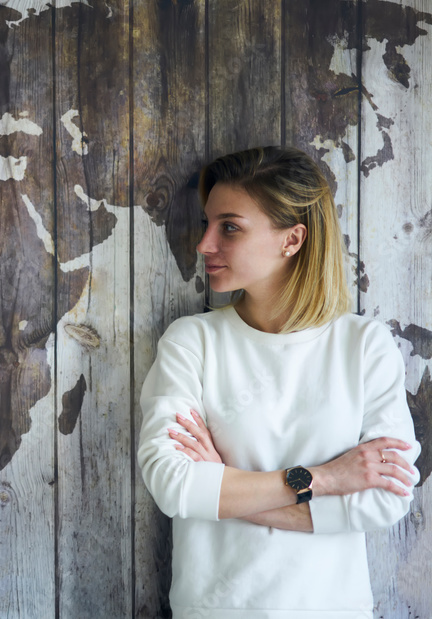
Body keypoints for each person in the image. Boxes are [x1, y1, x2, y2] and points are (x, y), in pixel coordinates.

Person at [137, 146, 421, 618]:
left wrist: (224, 490)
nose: (204, 244)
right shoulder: (193, 343)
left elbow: (384, 498)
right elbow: (173, 484)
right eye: (208, 224)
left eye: (229, 227)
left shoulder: (364, 346)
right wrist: (327, 479)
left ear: (292, 240)